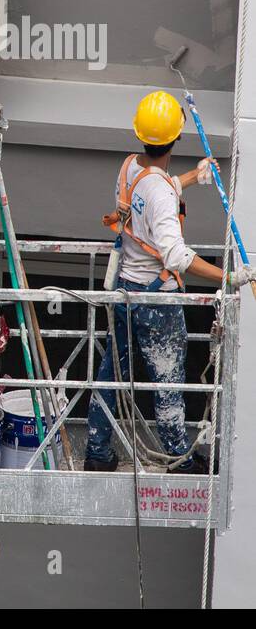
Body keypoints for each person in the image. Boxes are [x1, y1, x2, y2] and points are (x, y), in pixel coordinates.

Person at [86, 90, 252, 473]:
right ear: (177, 138)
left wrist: (192, 177)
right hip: (156, 300)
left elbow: (151, 189)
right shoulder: (160, 192)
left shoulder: (130, 166)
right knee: (167, 381)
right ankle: (179, 458)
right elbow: (176, 255)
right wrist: (228, 277)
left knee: (113, 372)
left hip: (124, 287)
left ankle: (97, 450)